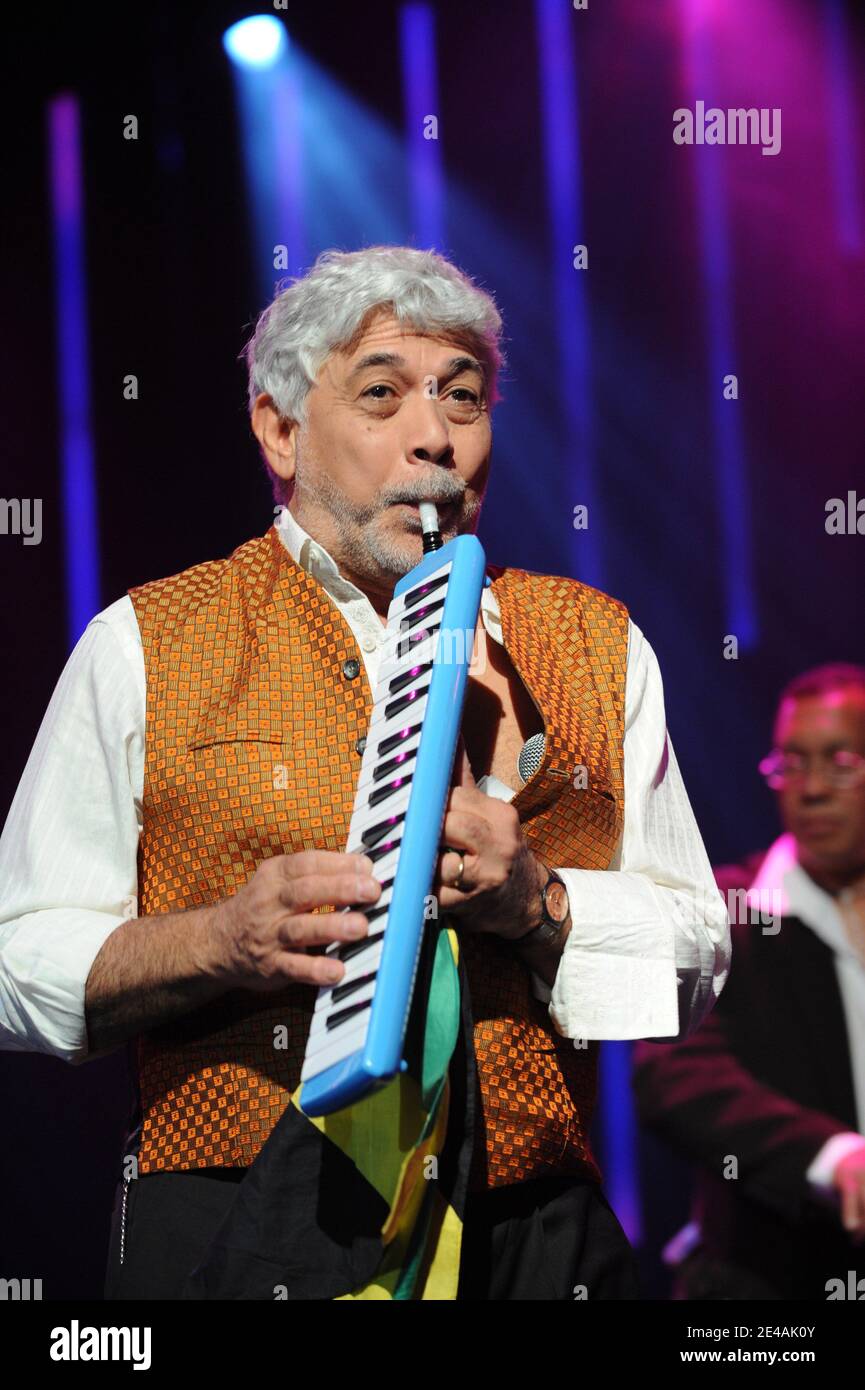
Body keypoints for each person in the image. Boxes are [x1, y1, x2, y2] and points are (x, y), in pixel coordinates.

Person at [0, 244, 729, 1299]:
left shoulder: (593, 643)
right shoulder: (148, 641)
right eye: (380, 394)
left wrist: (542, 904)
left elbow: (700, 948)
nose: (434, 437)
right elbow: (18, 949)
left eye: (463, 398)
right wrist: (219, 938)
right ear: (279, 428)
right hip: (241, 1205)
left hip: (526, 1221)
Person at [633, 663, 865, 1300]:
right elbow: (671, 1074)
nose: (811, 788)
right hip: (759, 1284)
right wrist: (832, 1157)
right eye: (791, 763)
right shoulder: (726, 909)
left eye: (840, 761)